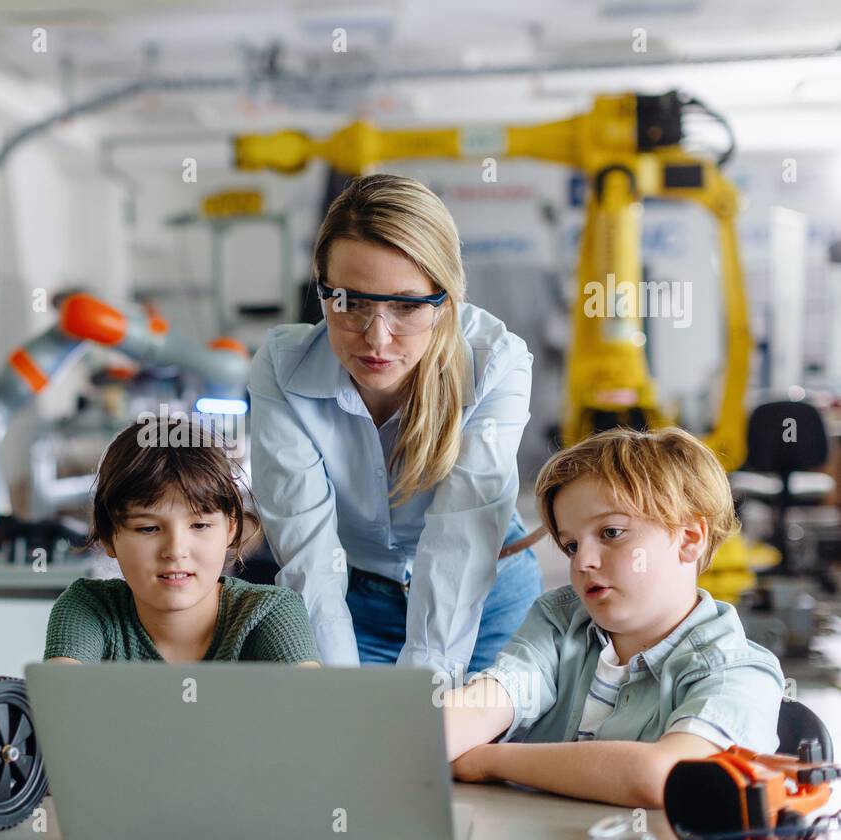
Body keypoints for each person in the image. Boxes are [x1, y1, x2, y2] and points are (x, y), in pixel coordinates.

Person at [249, 173, 541, 674]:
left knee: (466, 749)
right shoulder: (284, 368)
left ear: (445, 298)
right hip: (353, 601)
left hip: (485, 595)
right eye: (350, 302)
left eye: (406, 306)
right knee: (345, 737)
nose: (376, 338)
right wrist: (342, 696)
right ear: (320, 289)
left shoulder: (494, 363)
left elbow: (459, 545)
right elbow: (309, 560)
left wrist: (417, 704)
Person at [441, 427, 785, 807]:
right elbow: (483, 705)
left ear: (689, 539)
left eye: (611, 532)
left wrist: (490, 761)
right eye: (571, 544)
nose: (582, 561)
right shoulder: (559, 622)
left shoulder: (738, 672)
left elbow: (661, 776)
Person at [45, 415, 321, 665]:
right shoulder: (88, 607)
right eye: (149, 528)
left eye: (200, 525)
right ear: (108, 537)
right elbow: (60, 707)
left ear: (231, 529)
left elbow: (312, 713)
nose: (175, 550)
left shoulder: (269, 613)